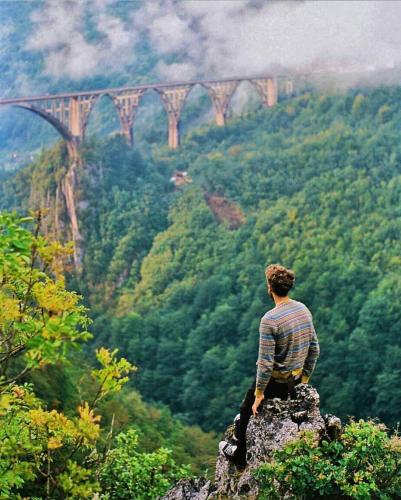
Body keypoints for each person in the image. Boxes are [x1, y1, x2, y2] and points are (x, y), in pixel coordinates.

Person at [219, 264, 320, 469]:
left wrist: (259, 395)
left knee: (245, 410)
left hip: (276, 382)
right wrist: (303, 381)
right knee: (243, 414)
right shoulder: (303, 309)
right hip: (295, 380)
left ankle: (239, 454)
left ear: (269, 288)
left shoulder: (270, 320)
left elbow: (265, 365)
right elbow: (314, 349)